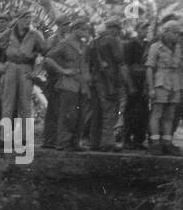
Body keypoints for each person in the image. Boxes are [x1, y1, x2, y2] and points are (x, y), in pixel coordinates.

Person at [46, 17, 91, 151]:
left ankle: (75, 142)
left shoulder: (83, 46)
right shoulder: (64, 43)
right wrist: (62, 70)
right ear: (75, 30)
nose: (85, 32)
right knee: (68, 115)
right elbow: (48, 58)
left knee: (81, 115)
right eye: (83, 30)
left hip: (81, 85)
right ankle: (63, 143)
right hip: (68, 84)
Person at [88, 17, 129, 151]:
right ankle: (107, 143)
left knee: (97, 112)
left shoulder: (94, 42)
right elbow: (119, 60)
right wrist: (127, 82)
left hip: (95, 81)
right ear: (112, 28)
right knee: (110, 112)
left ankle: (95, 143)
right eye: (117, 28)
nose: (118, 32)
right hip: (109, 81)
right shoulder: (112, 40)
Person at [0, 9, 48, 120]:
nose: (28, 20)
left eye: (30, 18)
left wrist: (37, 71)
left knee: (25, 104)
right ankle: (4, 135)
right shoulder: (9, 33)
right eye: (25, 18)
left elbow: (46, 53)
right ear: (18, 19)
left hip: (26, 69)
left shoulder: (35, 35)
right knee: (8, 103)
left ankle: (25, 136)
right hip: (10, 67)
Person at [145, 19, 183, 155]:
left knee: (170, 115)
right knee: (157, 113)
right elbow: (150, 68)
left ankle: (167, 142)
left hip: (176, 83)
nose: (178, 36)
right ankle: (155, 143)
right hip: (160, 82)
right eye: (175, 33)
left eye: (179, 33)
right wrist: (150, 88)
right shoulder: (156, 47)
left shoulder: (179, 48)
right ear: (166, 32)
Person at [41, 16, 71, 148]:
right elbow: (47, 60)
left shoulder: (66, 39)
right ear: (59, 25)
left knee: (61, 110)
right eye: (64, 24)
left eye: (67, 24)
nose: (67, 27)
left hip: (64, 78)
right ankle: (50, 140)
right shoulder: (53, 40)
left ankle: (57, 140)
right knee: (54, 110)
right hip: (55, 78)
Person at [122, 23, 149, 150]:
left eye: (147, 29)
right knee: (130, 111)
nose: (146, 31)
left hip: (143, 82)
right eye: (143, 28)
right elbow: (125, 66)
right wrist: (130, 84)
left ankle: (139, 139)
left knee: (143, 112)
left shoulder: (147, 45)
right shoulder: (130, 45)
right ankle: (126, 138)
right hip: (133, 81)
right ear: (137, 30)